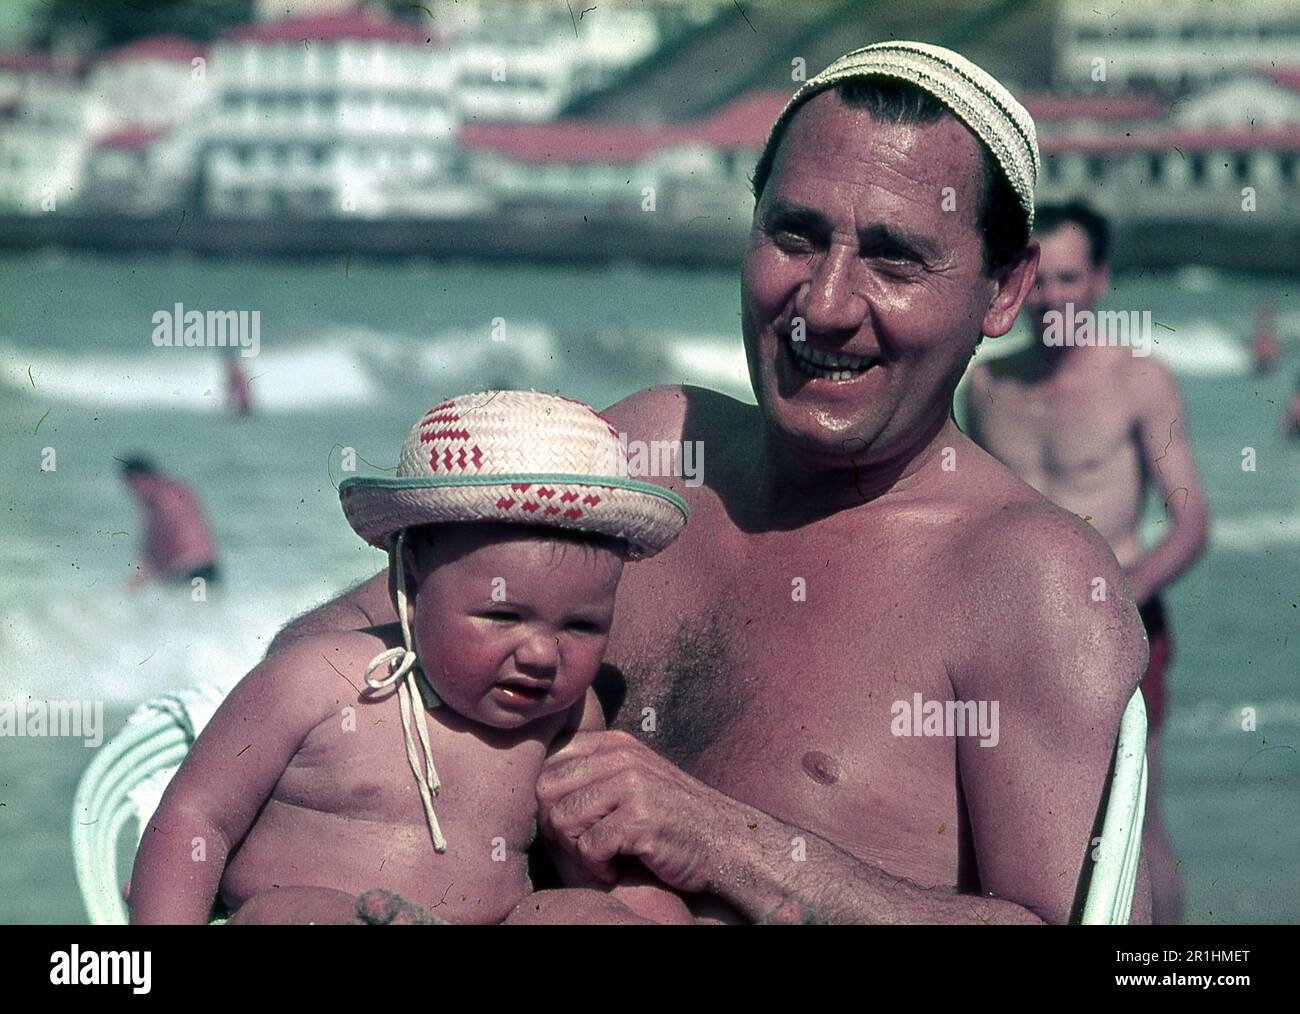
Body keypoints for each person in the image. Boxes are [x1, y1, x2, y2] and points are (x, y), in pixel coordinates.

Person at [267, 43, 1152, 924]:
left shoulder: (1030, 578)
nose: (826, 306)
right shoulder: (657, 455)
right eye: (795, 236)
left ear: (1006, 292)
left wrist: (734, 847)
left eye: (895, 260)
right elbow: (323, 653)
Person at [128, 392, 693, 925]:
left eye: (583, 625)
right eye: (502, 617)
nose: (544, 654)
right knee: (293, 911)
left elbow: (599, 866)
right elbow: (194, 819)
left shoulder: (566, 719)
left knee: (569, 914)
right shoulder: (318, 681)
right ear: (412, 577)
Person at [963, 200, 1211, 923]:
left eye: (1071, 278)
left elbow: (1190, 522)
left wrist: (1119, 595)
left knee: (1136, 824)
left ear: (1100, 280)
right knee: (1021, 831)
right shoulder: (988, 386)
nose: (1053, 297)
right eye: (1041, 279)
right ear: (1018, 282)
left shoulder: (1139, 380)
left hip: (1126, 628)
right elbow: (981, 518)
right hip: (1019, 637)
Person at [119, 456, 220, 589]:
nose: (131, 490)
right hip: (199, 567)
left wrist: (146, 570)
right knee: (199, 609)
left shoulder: (163, 499)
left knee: (196, 608)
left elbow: (165, 534)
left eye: (130, 483)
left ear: (141, 478)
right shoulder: (174, 490)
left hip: (194, 570)